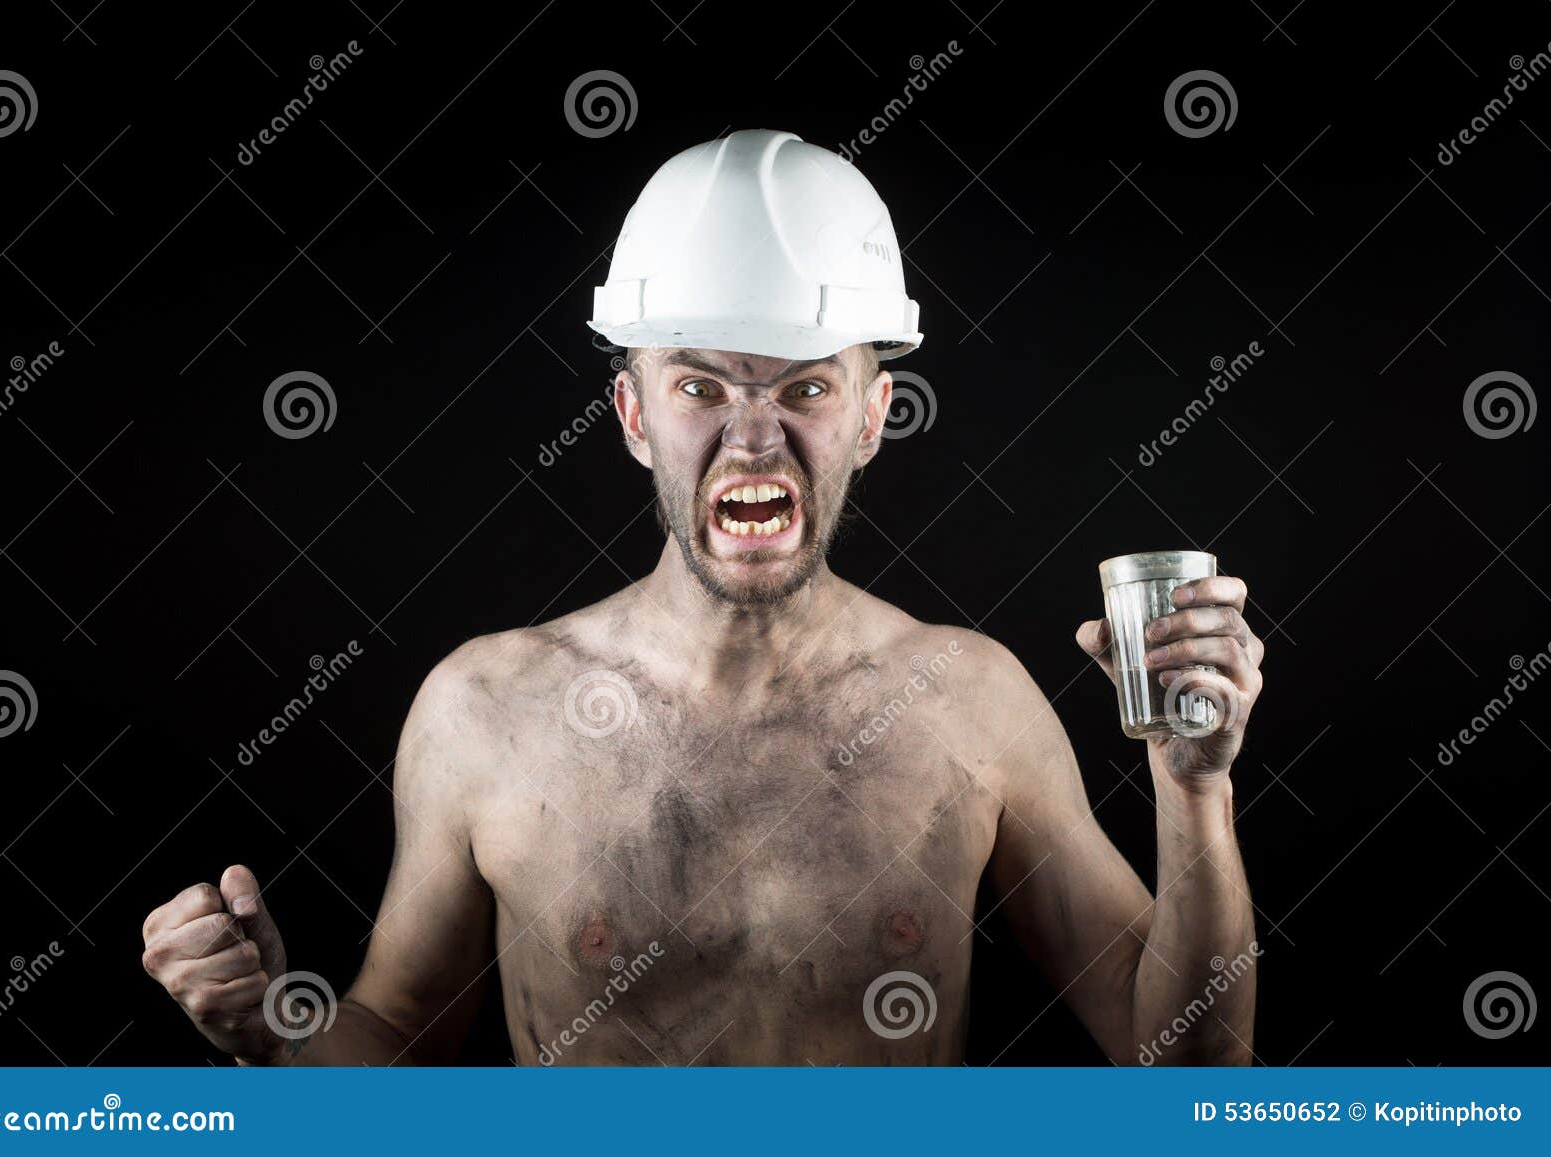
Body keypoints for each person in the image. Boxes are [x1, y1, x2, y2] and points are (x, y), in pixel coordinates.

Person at [141, 129, 1264, 1066]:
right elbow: (390, 1045)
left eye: (807, 387)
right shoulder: (485, 709)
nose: (753, 434)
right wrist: (274, 1023)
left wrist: (1192, 789)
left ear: (873, 416)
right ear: (632, 415)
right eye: (698, 385)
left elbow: (1182, 1069)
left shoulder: (967, 703)